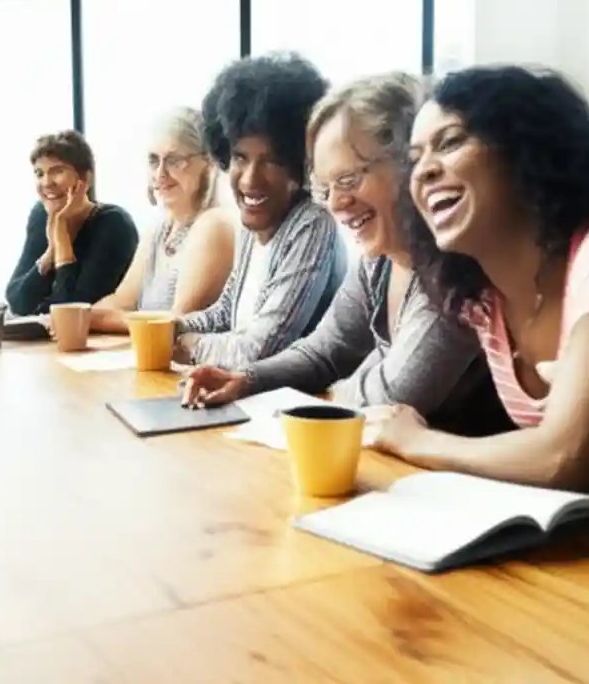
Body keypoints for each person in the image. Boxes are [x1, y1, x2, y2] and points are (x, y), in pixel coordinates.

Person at [372, 65, 589, 530]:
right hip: (583, 544)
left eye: (451, 142)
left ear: (526, 151)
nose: (424, 170)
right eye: (415, 158)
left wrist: (418, 441)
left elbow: (567, 459)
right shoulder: (482, 298)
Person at [181, 73, 510, 436]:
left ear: (409, 162)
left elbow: (394, 394)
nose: (336, 204)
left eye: (349, 181)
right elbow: (325, 350)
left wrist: (339, 390)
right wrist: (246, 379)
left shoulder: (454, 266)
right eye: (326, 188)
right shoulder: (378, 263)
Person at [175, 52, 346, 371]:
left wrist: (186, 344)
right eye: (240, 158)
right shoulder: (253, 226)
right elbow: (228, 313)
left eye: (272, 161)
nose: (251, 179)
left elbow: (260, 349)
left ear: (300, 164)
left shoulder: (312, 224)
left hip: (292, 410)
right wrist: (172, 326)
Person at [88, 107, 235, 333]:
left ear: (208, 163)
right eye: (153, 160)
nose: (160, 174)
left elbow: (177, 323)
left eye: (175, 161)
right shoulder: (160, 226)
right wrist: (75, 318)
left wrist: (92, 320)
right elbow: (121, 301)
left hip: (192, 365)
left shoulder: (214, 225)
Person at [6, 130, 139, 315]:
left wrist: (62, 238)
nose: (47, 182)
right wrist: (49, 255)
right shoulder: (41, 215)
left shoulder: (114, 224)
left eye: (57, 171)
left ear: (85, 179)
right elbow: (17, 301)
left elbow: (73, 311)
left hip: (99, 340)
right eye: (39, 173)